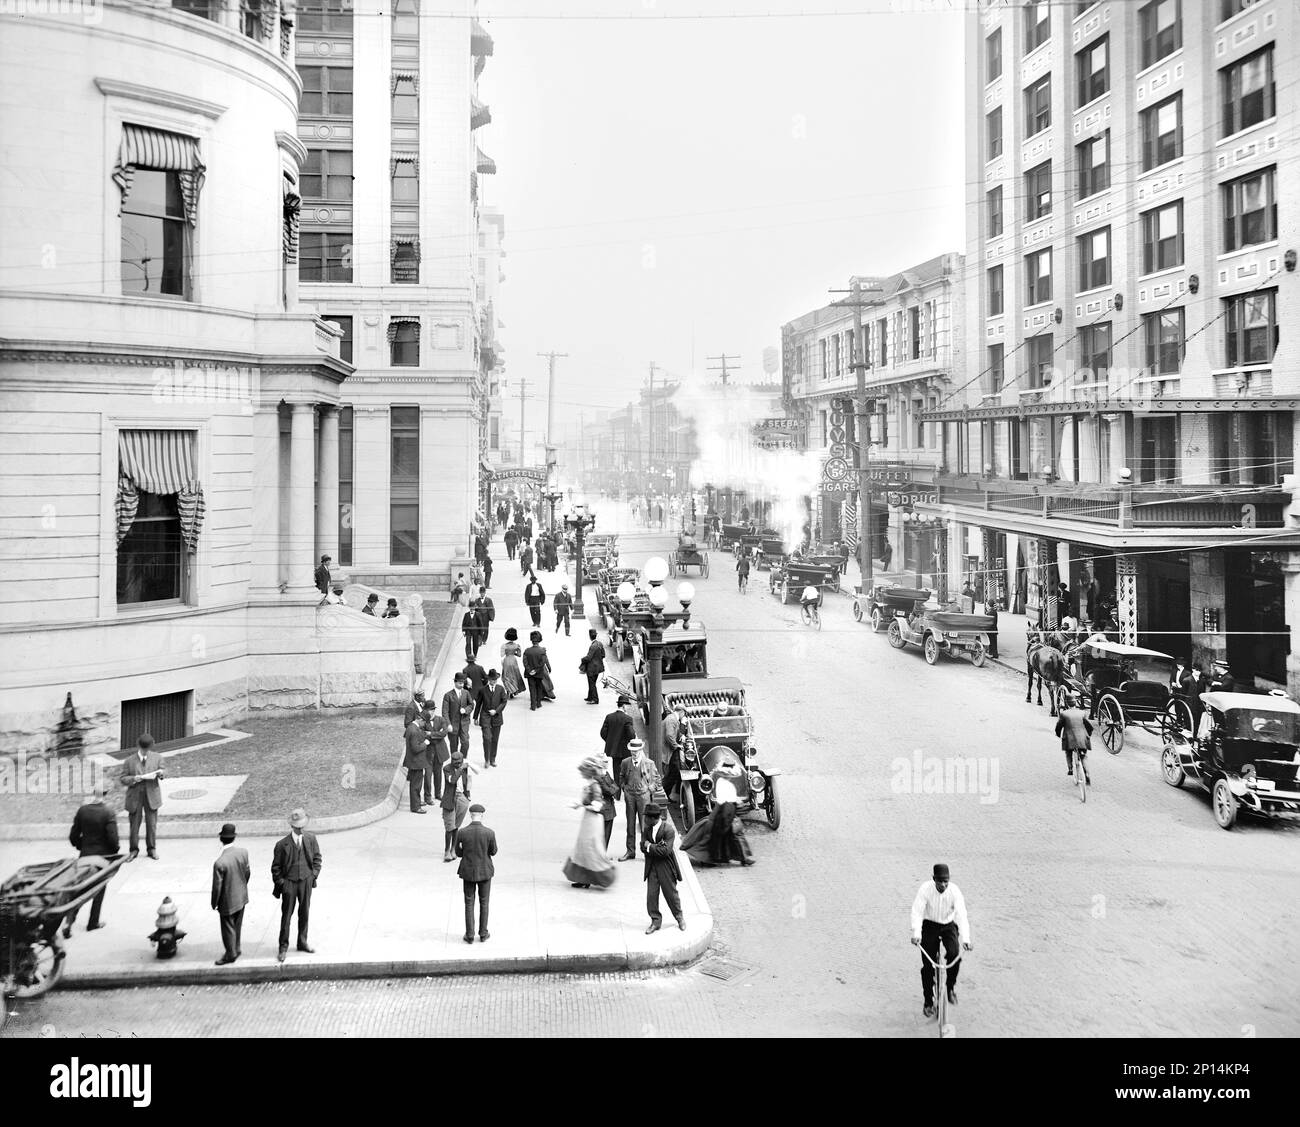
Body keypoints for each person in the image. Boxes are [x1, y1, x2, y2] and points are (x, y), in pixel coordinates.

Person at [910, 863, 972, 1017]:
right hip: (930, 925)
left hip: (948, 926)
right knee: (928, 965)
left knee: (954, 955)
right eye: (940, 881)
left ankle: (950, 988)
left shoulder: (955, 891)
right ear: (934, 879)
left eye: (946, 881)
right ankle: (928, 1002)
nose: (943, 885)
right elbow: (917, 912)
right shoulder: (925, 889)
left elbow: (962, 915)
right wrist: (916, 933)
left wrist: (966, 938)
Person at [64, 784, 118, 936]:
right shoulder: (108, 812)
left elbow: (73, 836)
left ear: (93, 793)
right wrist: (114, 851)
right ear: (106, 794)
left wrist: (82, 846)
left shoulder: (83, 811)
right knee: (99, 889)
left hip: (85, 857)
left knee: (80, 890)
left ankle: (69, 921)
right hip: (102, 858)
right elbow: (113, 839)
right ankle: (93, 922)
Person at [271, 807, 322, 962]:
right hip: (289, 884)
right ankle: (283, 947)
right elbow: (276, 868)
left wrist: (313, 875)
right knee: (287, 916)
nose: (300, 830)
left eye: (302, 827)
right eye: (298, 827)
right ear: (292, 826)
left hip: (305, 881)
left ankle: (302, 942)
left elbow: (317, 858)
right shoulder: (281, 845)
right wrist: (282, 883)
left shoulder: (311, 839)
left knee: (304, 913)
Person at [563, 757, 618, 889]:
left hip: (593, 820)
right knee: (583, 848)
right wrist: (578, 804)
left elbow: (598, 805)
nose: (581, 773)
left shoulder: (595, 786)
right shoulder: (589, 785)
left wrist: (586, 805)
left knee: (590, 848)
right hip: (588, 819)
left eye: (583, 771)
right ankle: (584, 878)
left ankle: (592, 877)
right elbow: (585, 801)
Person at [456, 803, 497, 944]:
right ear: (482, 816)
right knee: (484, 903)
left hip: (468, 871)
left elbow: (458, 852)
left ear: (470, 815)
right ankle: (483, 933)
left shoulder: (462, 832)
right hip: (485, 871)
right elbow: (493, 851)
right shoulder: (489, 833)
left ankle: (470, 934)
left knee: (469, 902)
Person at [641, 803, 685, 934]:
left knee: (671, 894)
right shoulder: (647, 829)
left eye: (646, 817)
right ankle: (655, 921)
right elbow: (642, 847)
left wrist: (650, 846)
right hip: (652, 865)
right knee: (651, 896)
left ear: (653, 818)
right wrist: (653, 847)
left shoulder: (668, 830)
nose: (644, 819)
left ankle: (679, 917)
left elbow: (666, 851)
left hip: (665, 866)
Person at [211, 822, 250, 965]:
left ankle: (230, 954)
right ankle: (237, 948)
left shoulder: (220, 862)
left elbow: (217, 887)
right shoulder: (243, 853)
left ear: (221, 839)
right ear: (233, 838)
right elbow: (247, 873)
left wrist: (214, 903)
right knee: (237, 925)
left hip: (227, 901)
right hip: (241, 896)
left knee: (228, 928)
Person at [120, 733, 164, 860]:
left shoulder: (157, 757)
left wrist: (161, 774)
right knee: (134, 825)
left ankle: (152, 849)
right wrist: (133, 779)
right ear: (139, 747)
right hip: (135, 797)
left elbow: (163, 771)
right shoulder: (129, 761)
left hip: (152, 796)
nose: (145, 752)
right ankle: (133, 850)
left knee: (151, 825)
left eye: (147, 749)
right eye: (143, 749)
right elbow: (123, 778)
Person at [618, 738, 661, 862]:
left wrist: (649, 789)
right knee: (630, 825)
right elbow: (621, 776)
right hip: (630, 796)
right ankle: (630, 851)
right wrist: (624, 788)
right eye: (632, 751)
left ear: (640, 750)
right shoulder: (625, 762)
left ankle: (645, 851)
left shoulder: (649, 763)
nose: (634, 753)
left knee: (645, 825)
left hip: (643, 796)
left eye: (636, 751)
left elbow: (658, 779)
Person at [679, 801, 753, 867]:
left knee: (734, 840)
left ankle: (744, 859)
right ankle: (706, 860)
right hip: (718, 823)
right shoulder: (726, 803)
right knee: (708, 842)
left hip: (722, 822)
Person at [441, 751, 475, 861]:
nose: (456, 764)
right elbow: (451, 781)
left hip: (462, 798)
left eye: (459, 762)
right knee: (449, 827)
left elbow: (468, 782)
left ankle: (453, 849)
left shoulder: (465, 768)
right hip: (450, 799)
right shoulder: (447, 768)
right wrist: (460, 769)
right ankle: (446, 851)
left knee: (456, 826)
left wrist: (468, 796)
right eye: (454, 762)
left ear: (462, 761)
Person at [1054, 693, 1094, 784]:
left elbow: (1058, 726)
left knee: (1068, 752)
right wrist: (1088, 735)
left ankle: (1070, 769)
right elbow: (1090, 727)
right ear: (1075, 703)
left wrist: (1058, 734)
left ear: (1067, 704)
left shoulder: (1064, 714)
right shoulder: (1082, 713)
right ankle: (1087, 774)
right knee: (1083, 756)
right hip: (1082, 740)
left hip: (1070, 739)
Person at [474, 668, 508, 768]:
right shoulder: (482, 690)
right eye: (492, 680)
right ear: (488, 680)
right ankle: (487, 759)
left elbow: (504, 701)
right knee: (487, 738)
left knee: (495, 739)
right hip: (485, 716)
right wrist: (475, 717)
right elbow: (478, 703)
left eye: (495, 680)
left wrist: (496, 711)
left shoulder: (500, 689)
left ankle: (493, 759)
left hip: (497, 717)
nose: (493, 682)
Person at [601, 694, 636, 784]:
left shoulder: (609, 717)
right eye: (627, 706)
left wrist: (611, 741)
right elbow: (631, 735)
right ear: (624, 706)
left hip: (614, 750)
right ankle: (625, 790)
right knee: (626, 772)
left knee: (616, 772)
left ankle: (617, 793)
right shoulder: (627, 719)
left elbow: (603, 733)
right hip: (625, 751)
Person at [403, 707, 433, 812]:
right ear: (421, 720)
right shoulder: (414, 730)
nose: (424, 725)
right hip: (416, 761)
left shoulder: (412, 727)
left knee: (415, 784)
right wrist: (425, 743)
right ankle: (416, 806)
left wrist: (424, 734)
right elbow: (416, 748)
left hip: (414, 761)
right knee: (416, 785)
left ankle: (416, 802)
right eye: (424, 723)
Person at [443, 671, 474, 762]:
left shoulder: (466, 693)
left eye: (463, 683)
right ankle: (454, 761)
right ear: (455, 682)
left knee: (465, 743)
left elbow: (471, 705)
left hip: (464, 724)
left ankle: (462, 759)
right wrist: (448, 724)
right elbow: (445, 712)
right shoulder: (448, 695)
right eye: (460, 683)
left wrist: (465, 710)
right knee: (453, 745)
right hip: (453, 725)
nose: (461, 685)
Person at [424, 709, 451, 804]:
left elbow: (444, 732)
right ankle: (427, 797)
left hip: (439, 752)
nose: (430, 712)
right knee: (427, 775)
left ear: (434, 710)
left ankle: (438, 793)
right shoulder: (423, 720)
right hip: (428, 752)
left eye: (432, 710)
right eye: (428, 709)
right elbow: (423, 735)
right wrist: (437, 734)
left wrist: (431, 734)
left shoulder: (440, 719)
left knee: (438, 774)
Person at [523, 630, 551, 711]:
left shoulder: (527, 650)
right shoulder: (542, 651)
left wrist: (530, 670)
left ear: (531, 641)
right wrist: (536, 670)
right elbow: (542, 662)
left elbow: (525, 662)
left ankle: (533, 705)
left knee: (532, 689)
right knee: (539, 687)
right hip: (539, 673)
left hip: (529, 673)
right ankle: (538, 703)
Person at [595, 758, 619, 849]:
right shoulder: (599, 777)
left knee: (607, 834)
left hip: (609, 808)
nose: (607, 763)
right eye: (605, 761)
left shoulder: (606, 773)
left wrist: (612, 788)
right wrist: (613, 788)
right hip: (605, 809)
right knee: (604, 834)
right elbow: (610, 791)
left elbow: (615, 785)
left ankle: (603, 853)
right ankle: (602, 854)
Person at [582, 628, 606, 704]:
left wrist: (582, 659)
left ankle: (595, 699)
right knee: (592, 683)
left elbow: (588, 658)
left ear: (589, 636)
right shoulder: (600, 644)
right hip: (598, 668)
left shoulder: (593, 646)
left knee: (591, 684)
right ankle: (590, 697)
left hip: (592, 668)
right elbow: (603, 655)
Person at [500, 627, 525, 698]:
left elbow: (502, 654)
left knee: (506, 676)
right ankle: (513, 691)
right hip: (514, 660)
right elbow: (519, 655)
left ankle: (509, 690)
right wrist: (514, 653)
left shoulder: (504, 646)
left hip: (507, 660)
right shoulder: (517, 646)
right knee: (514, 675)